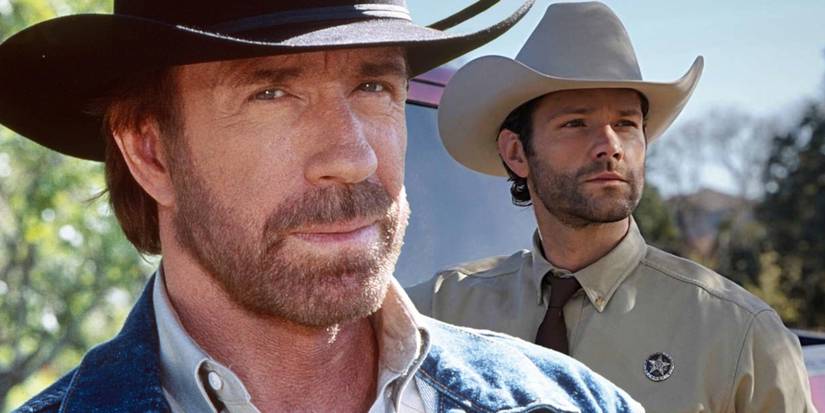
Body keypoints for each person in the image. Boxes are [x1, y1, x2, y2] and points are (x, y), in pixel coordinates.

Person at [0, 1, 648, 412]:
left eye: (374, 86)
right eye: (272, 94)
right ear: (151, 152)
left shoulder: (576, 403)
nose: (354, 157)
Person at [407, 2, 816, 412]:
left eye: (626, 124)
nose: (611, 146)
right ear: (516, 153)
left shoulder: (739, 335)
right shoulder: (437, 314)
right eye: (575, 123)